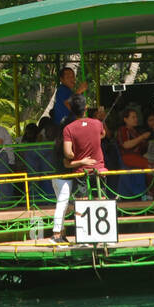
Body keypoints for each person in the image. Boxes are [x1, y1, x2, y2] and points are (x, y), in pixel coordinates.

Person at [52, 95, 106, 242]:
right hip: (99, 168)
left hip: (79, 172)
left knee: (80, 203)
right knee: (100, 198)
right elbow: (103, 134)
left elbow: (68, 154)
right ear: (86, 108)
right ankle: (102, 235)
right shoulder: (96, 124)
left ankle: (83, 237)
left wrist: (77, 159)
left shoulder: (68, 129)